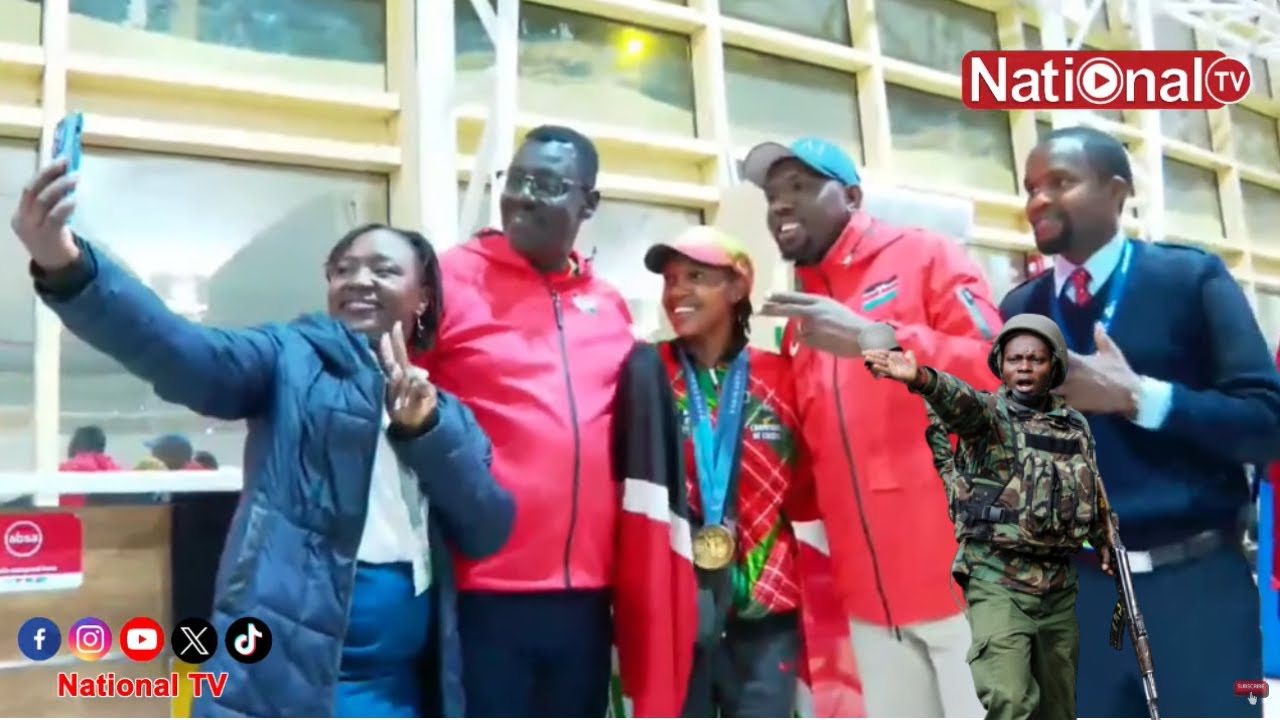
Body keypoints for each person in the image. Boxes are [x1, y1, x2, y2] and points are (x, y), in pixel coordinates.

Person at [10, 158, 514, 718]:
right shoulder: (289, 359)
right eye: (343, 269)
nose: (358, 280)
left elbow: (488, 527)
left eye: (382, 269)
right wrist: (68, 266)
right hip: (285, 679)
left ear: (422, 297)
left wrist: (424, 431)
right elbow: (180, 351)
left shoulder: (447, 413)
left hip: (401, 686)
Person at [1001, 125, 1280, 717]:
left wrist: (1140, 399)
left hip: (1196, 587)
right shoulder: (1019, 309)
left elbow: (1266, 421)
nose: (1038, 200)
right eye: (1029, 188)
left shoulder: (1190, 280)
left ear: (1116, 191)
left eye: (1060, 182)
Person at [746, 136, 998, 717]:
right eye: (773, 193)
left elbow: (1003, 377)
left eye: (801, 187)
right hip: (871, 605)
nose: (781, 203)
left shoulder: (927, 256)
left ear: (852, 196)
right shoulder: (798, 325)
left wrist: (871, 339)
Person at [414, 125, 636, 717]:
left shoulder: (608, 305)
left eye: (549, 185)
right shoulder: (444, 280)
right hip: (482, 587)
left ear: (588, 203)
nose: (526, 197)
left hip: (589, 593)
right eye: (517, 181)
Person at [612, 226, 857, 718]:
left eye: (696, 277)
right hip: (675, 607)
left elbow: (812, 488)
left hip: (767, 608)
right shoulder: (645, 372)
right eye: (670, 280)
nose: (676, 292)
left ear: (738, 284)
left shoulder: (781, 374)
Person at [865, 314, 1116, 720]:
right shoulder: (989, 417)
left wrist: (1105, 536)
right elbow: (958, 400)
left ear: (1054, 365)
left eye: (1036, 359)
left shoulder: (1075, 427)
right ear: (1000, 364)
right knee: (1010, 700)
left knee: (1059, 711)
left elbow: (1092, 488)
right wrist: (922, 379)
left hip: (1058, 588)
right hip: (998, 580)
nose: (1025, 368)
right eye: (1015, 359)